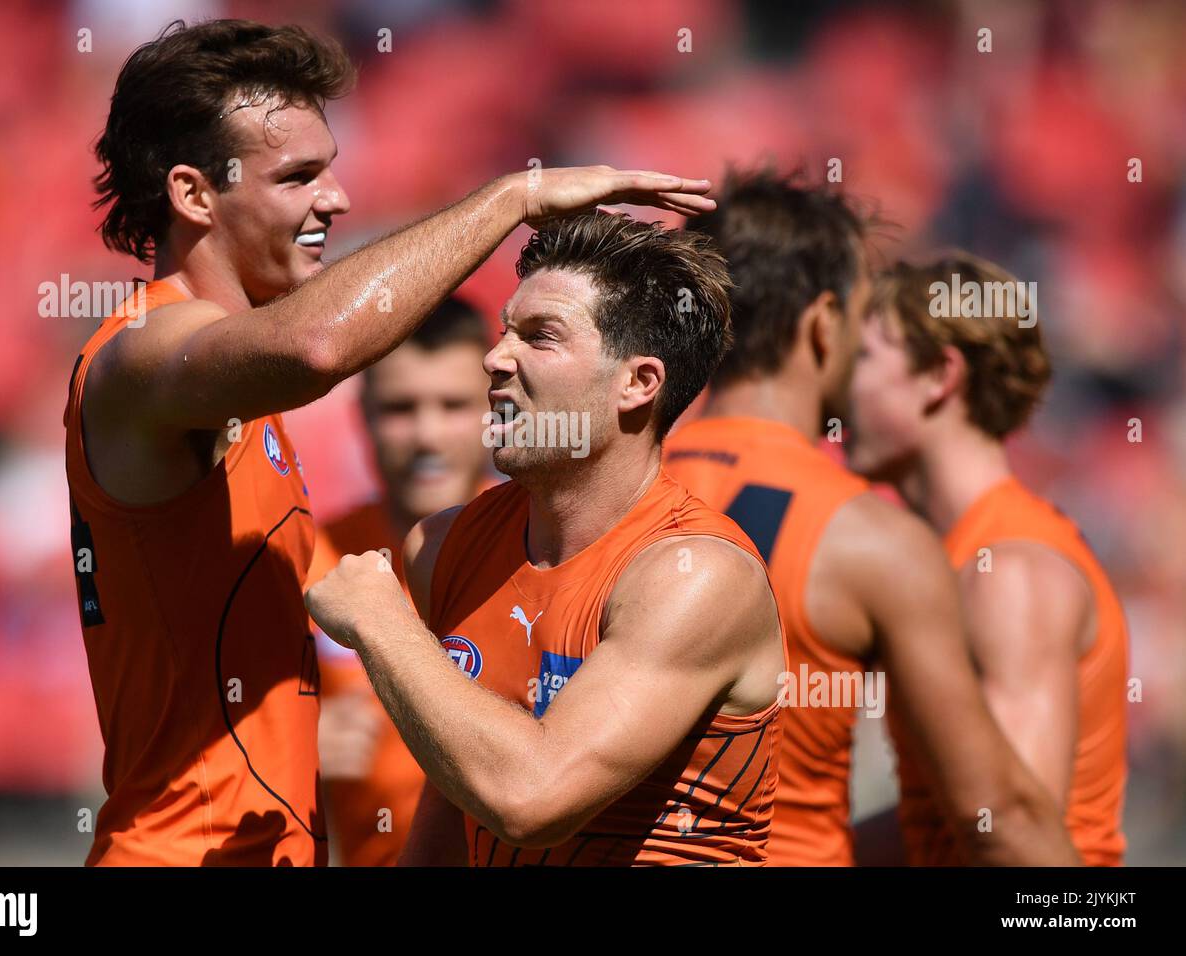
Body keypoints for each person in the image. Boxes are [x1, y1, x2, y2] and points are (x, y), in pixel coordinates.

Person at [66, 17, 716, 866]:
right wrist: (512, 199)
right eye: (298, 177)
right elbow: (319, 347)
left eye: (330, 169)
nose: (333, 200)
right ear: (194, 195)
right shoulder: (141, 356)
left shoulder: (230, 381)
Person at [306, 214, 787, 866]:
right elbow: (458, 796)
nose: (495, 357)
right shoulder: (446, 547)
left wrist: (380, 622)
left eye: (540, 337)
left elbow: (531, 800)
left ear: (638, 383)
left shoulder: (692, 574)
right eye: (506, 330)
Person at [665, 169, 1077, 865]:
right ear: (824, 325)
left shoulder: (608, 495)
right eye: (861, 321)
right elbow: (998, 815)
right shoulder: (868, 538)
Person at [844, 253, 1128, 865]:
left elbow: (1011, 834)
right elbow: (940, 818)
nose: (841, 384)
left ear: (939, 377)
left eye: (863, 358)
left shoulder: (1010, 573)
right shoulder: (957, 556)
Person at [311, 297, 494, 866]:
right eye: (400, 407)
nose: (427, 435)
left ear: (497, 411)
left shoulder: (546, 547)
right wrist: (290, 749)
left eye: (454, 405)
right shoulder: (311, 559)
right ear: (359, 413)